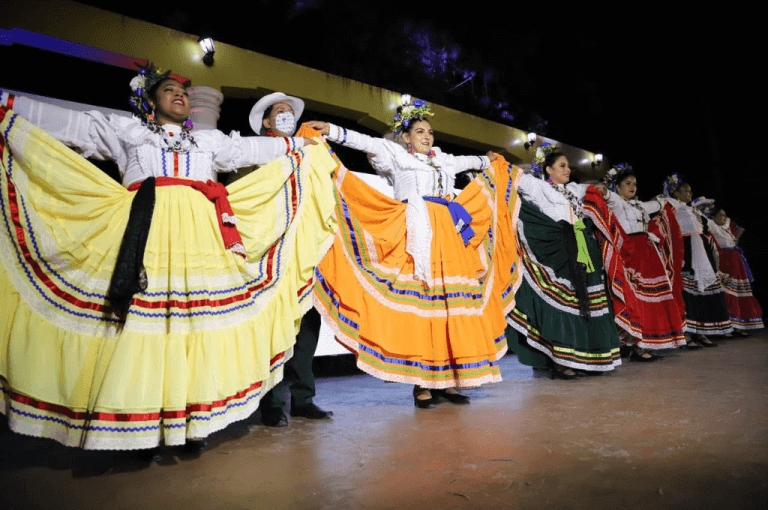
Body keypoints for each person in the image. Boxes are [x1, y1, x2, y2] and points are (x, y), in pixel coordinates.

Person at [0, 64, 337, 455]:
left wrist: (300, 146)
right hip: (145, 231)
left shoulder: (208, 141)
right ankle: (143, 425)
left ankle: (192, 423)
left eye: (184, 91)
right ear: (151, 100)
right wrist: (8, 103)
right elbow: (69, 124)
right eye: (170, 90)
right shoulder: (128, 131)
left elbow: (251, 148)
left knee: (193, 324)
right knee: (145, 322)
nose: (180, 95)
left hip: (200, 237)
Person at [302, 98, 521, 408]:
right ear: (405, 136)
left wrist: (490, 160)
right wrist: (332, 130)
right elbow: (364, 141)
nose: (426, 137)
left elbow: (472, 162)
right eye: (419, 131)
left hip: (450, 234)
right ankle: (423, 385)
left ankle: (453, 382)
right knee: (425, 307)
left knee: (450, 308)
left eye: (429, 131)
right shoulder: (395, 155)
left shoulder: (444, 159)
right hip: (419, 233)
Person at [231, 92, 332, 426]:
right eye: (279, 111)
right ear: (266, 122)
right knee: (271, 327)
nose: (287, 115)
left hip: (303, 252)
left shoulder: (309, 152)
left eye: (290, 111)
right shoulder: (253, 152)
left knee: (305, 327)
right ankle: (272, 403)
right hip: (269, 252)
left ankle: (303, 398)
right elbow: (240, 195)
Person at [506, 143, 620, 379]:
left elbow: (593, 189)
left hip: (584, 249)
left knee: (586, 304)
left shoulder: (574, 189)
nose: (568, 170)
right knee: (563, 302)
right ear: (548, 170)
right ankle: (559, 361)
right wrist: (494, 162)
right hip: (560, 250)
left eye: (568, 166)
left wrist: (605, 190)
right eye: (562, 166)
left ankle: (588, 357)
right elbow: (514, 177)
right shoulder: (538, 187)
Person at [588, 164, 686, 360]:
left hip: (649, 255)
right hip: (630, 253)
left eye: (634, 183)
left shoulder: (641, 205)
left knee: (653, 300)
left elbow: (661, 204)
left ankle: (646, 343)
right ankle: (636, 345)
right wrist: (603, 190)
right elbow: (607, 195)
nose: (632, 187)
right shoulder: (617, 203)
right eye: (627, 183)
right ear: (617, 186)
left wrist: (670, 199)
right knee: (635, 299)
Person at [661, 174, 732, 347]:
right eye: (685, 191)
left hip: (700, 250)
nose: (689, 194)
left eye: (690, 191)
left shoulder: (692, 210)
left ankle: (701, 331)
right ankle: (687, 334)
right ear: (675, 192)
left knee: (702, 292)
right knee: (688, 294)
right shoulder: (672, 207)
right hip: (685, 251)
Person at [706, 205, 763, 334]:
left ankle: (739, 326)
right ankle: (725, 328)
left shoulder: (726, 228)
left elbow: (732, 224)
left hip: (736, 262)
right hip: (725, 262)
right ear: (713, 217)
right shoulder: (713, 227)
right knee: (727, 294)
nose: (723, 218)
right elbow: (705, 219)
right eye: (720, 215)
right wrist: (706, 208)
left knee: (738, 294)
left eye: (724, 215)